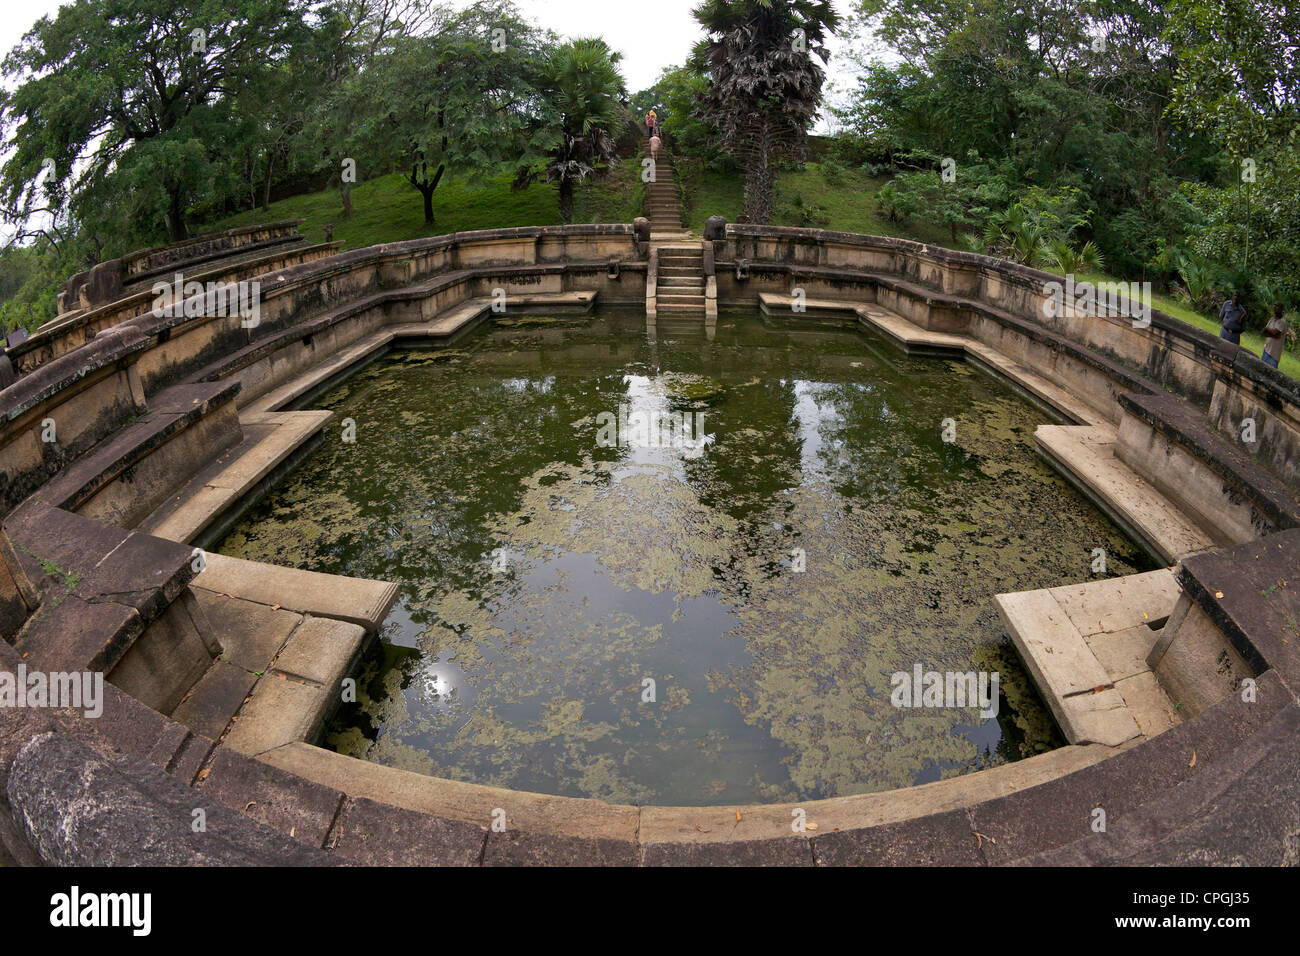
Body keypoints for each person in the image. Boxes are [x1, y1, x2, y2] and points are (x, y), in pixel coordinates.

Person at [1261, 302, 1288, 369]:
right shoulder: (1272, 319)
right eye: (1274, 305)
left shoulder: (1282, 322)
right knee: (1261, 371)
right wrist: (1274, 334)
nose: (1275, 307)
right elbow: (1263, 333)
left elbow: (1275, 332)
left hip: (1274, 355)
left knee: (1270, 374)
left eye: (1277, 306)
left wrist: (1267, 329)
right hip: (1266, 350)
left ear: (1281, 309)